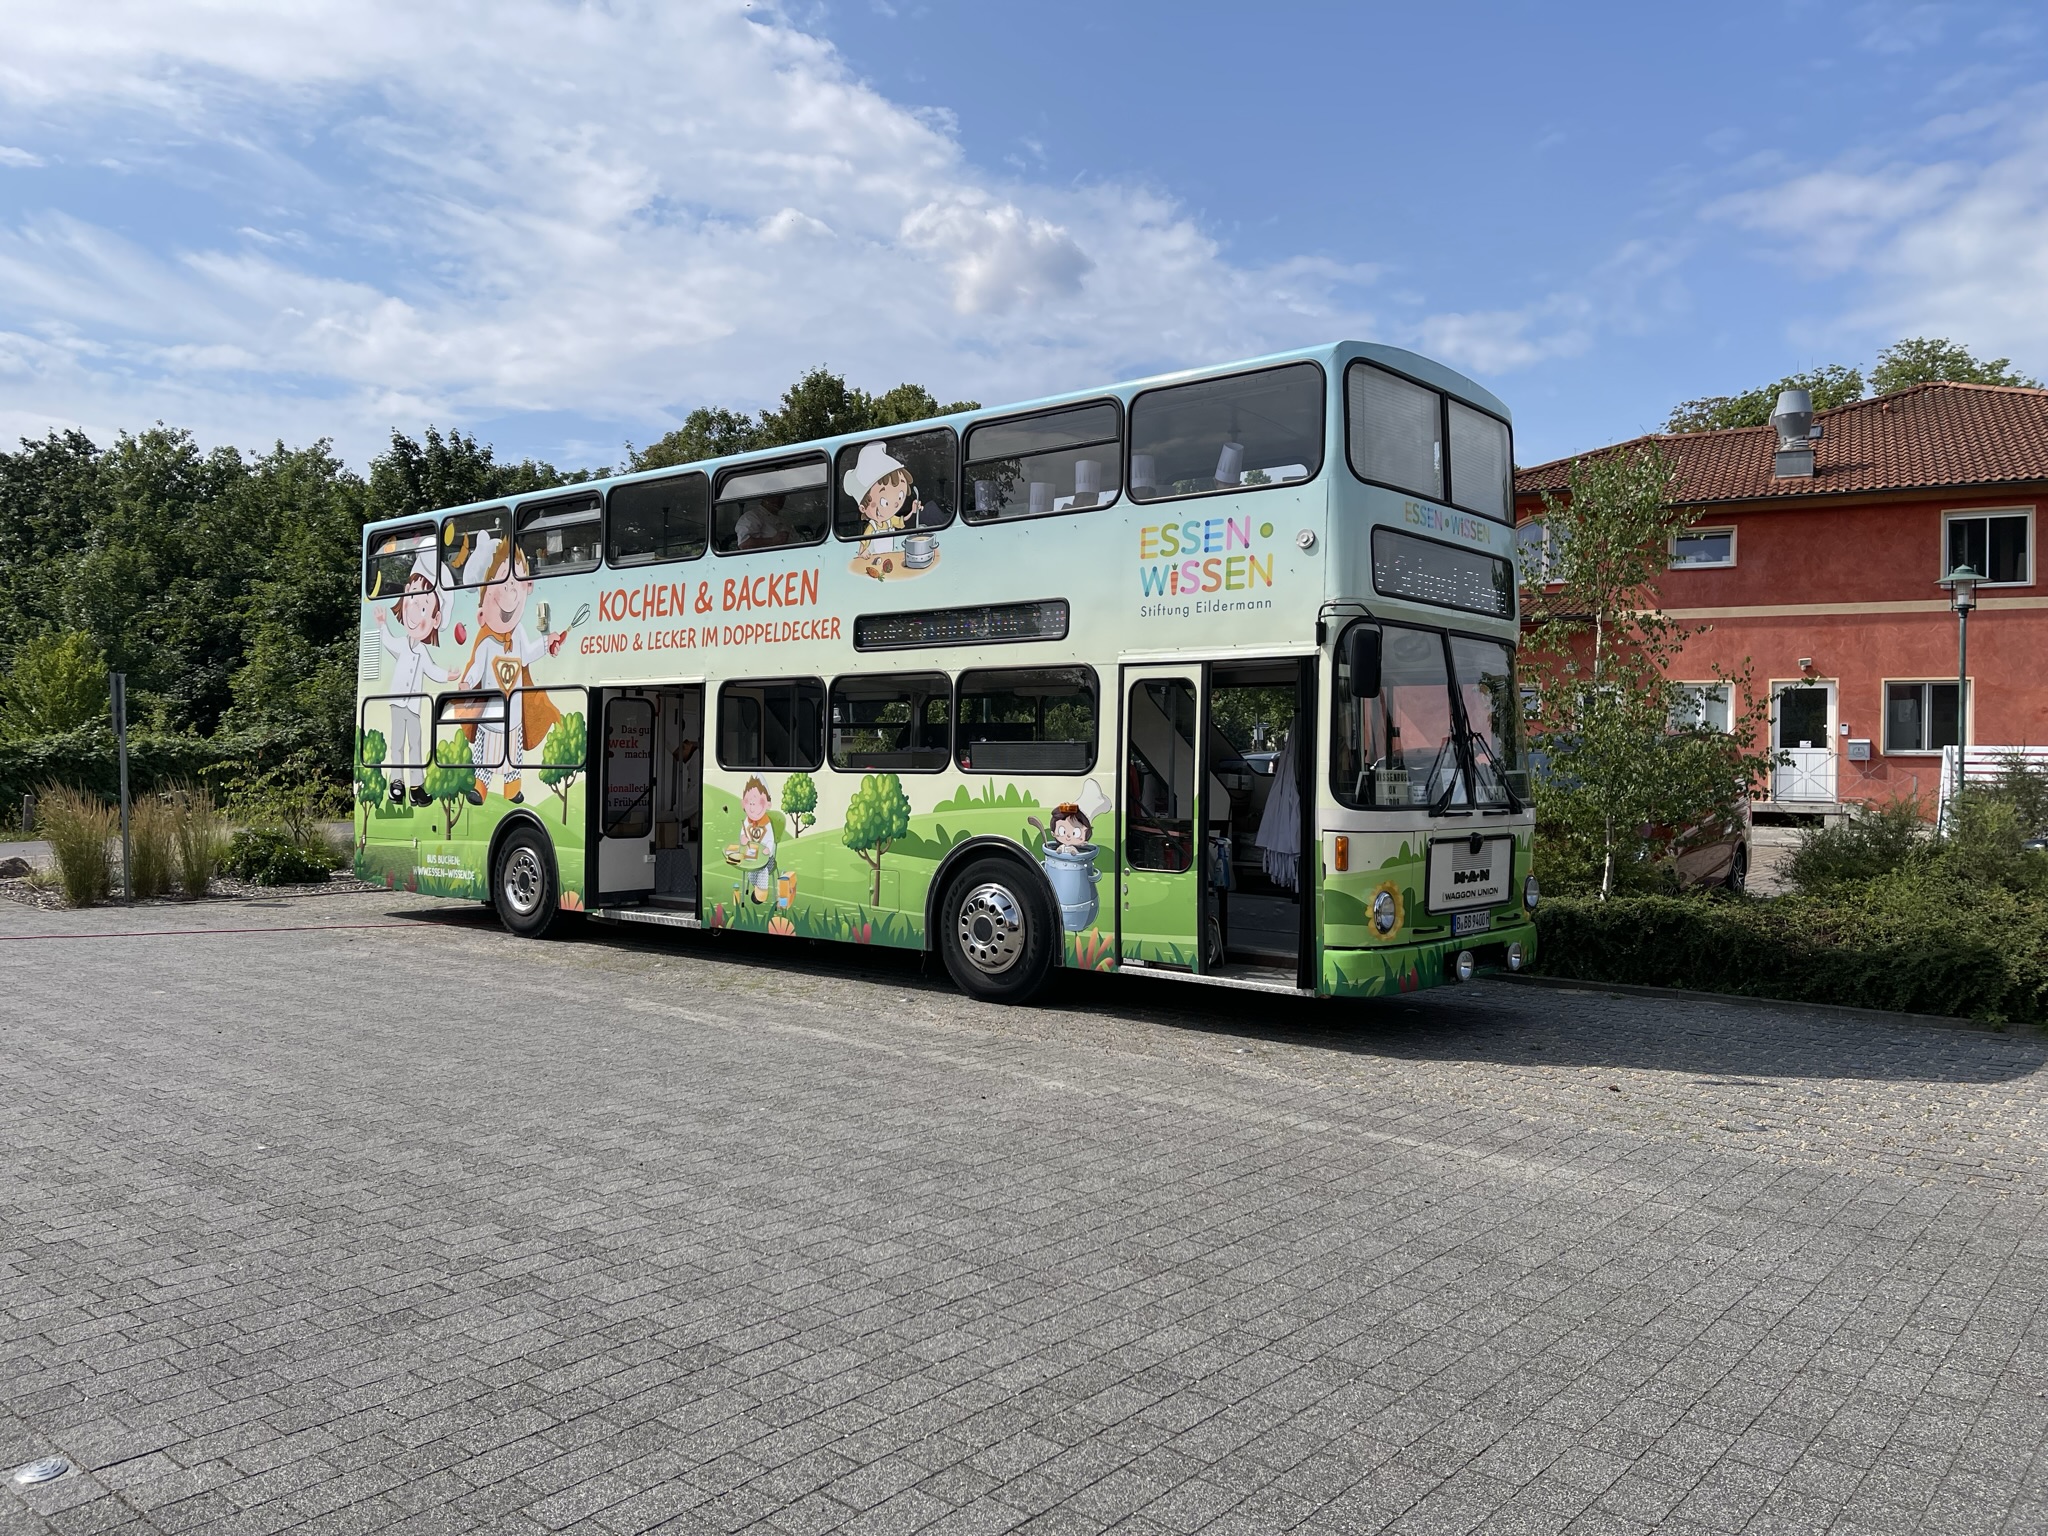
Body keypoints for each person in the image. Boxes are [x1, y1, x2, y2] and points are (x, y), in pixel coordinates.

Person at [459, 537, 568, 804]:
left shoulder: (518, 633)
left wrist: (547, 640)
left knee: (512, 756)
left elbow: (527, 655)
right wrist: (468, 682)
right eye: (503, 583)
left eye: (516, 582)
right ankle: (480, 787)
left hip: (514, 717)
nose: (511, 590)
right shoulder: (486, 642)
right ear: (482, 611)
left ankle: (512, 788)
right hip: (490, 718)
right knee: (485, 755)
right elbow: (475, 668)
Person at [374, 557, 451, 806]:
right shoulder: (402, 646)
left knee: (415, 745)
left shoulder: (422, 652)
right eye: (412, 601)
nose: (415, 613)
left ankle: (416, 787)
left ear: (435, 619)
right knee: (397, 744)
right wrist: (383, 626)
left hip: (415, 706)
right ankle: (397, 783)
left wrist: (447, 676)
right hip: (398, 703)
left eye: (424, 608)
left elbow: (432, 670)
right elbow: (387, 642)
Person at [843, 440, 920, 575]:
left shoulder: (890, 521)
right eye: (884, 502)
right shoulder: (871, 528)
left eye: (900, 496)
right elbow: (863, 546)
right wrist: (863, 552)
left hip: (890, 560)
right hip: (875, 564)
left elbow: (902, 521)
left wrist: (913, 511)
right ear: (863, 508)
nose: (895, 504)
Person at [735, 775, 777, 902]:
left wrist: (768, 850)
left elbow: (771, 840)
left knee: (763, 869)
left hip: (766, 860)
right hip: (751, 857)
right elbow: (743, 834)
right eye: (749, 802)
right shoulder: (747, 822)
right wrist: (743, 838)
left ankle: (761, 893)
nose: (753, 806)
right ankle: (757, 888)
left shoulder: (766, 823)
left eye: (757, 801)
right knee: (750, 867)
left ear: (767, 804)